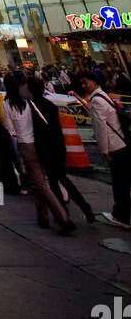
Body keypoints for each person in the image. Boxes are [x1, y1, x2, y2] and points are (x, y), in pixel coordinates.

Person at [2, 75, 74, 234]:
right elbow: (42, 122)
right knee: (38, 181)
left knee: (40, 183)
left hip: (26, 145)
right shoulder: (28, 102)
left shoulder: (7, 104)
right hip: (39, 144)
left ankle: (63, 217)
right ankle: (42, 217)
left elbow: (10, 129)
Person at [27, 77, 94, 224]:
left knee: (54, 181)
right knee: (60, 179)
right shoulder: (50, 105)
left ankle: (65, 211)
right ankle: (81, 207)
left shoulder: (32, 108)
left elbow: (37, 131)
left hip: (46, 149)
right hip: (57, 147)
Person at [76, 71, 131, 229]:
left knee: (120, 182)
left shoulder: (97, 100)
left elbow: (100, 127)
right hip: (121, 142)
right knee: (122, 180)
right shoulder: (102, 96)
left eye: (86, 82)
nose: (84, 86)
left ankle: (121, 215)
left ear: (94, 82)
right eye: (82, 83)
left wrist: (104, 150)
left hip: (114, 145)